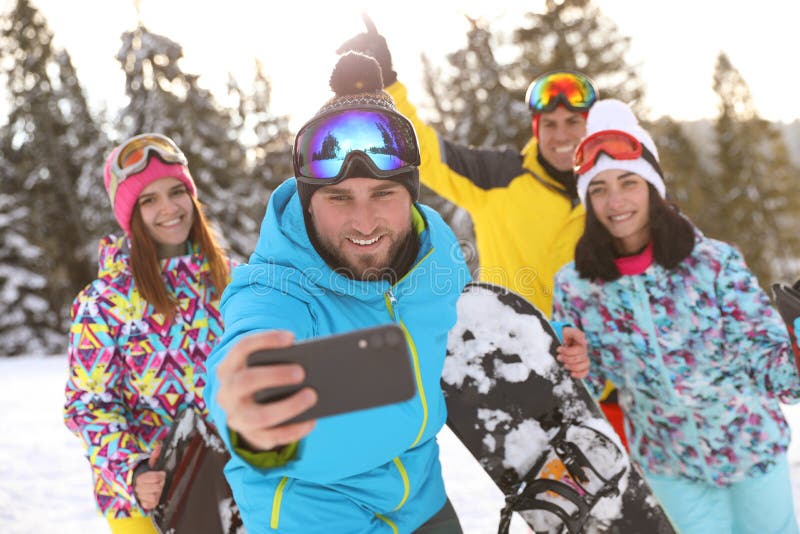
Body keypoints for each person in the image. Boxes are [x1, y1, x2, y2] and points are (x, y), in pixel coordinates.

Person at [204, 52, 590, 534]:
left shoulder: (434, 251)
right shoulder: (277, 286)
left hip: (419, 492)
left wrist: (547, 341)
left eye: (383, 194)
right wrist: (243, 399)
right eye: (339, 198)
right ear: (308, 203)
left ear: (411, 194)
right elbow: (246, 343)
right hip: (314, 508)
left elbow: (466, 327)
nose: (364, 223)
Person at [336, 20, 629, 448]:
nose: (562, 135)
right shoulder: (499, 176)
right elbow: (429, 154)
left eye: (573, 121)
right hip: (522, 369)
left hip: (603, 380)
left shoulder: (613, 191)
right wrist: (388, 85)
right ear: (536, 130)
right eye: (550, 124)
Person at [552, 99, 800, 534]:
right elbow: (583, 390)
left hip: (752, 452)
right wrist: (577, 364)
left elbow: (774, 371)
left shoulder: (715, 263)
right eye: (599, 188)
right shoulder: (576, 285)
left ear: (652, 188)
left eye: (628, 182)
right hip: (670, 468)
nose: (615, 201)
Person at [63, 133, 233, 534]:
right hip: (149, 501)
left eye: (177, 192)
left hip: (232, 484)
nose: (169, 208)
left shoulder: (230, 282)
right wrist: (133, 470)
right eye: (149, 200)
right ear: (131, 215)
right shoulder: (103, 302)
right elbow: (89, 406)